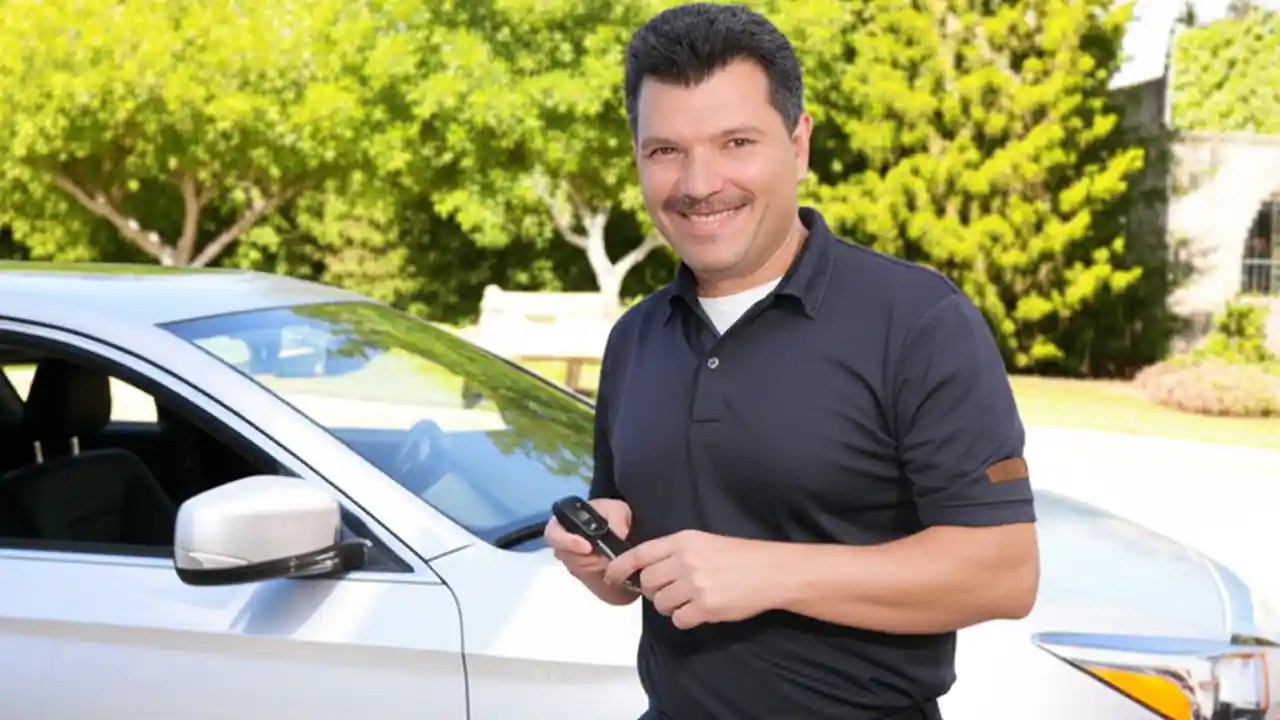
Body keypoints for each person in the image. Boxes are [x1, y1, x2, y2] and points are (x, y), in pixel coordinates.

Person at [543, 4, 1040, 719]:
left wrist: (768, 573)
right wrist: (604, 567)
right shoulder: (636, 338)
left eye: (736, 142)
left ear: (798, 144)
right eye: (665, 151)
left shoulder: (918, 319)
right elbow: (642, 578)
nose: (698, 182)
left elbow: (1004, 574)